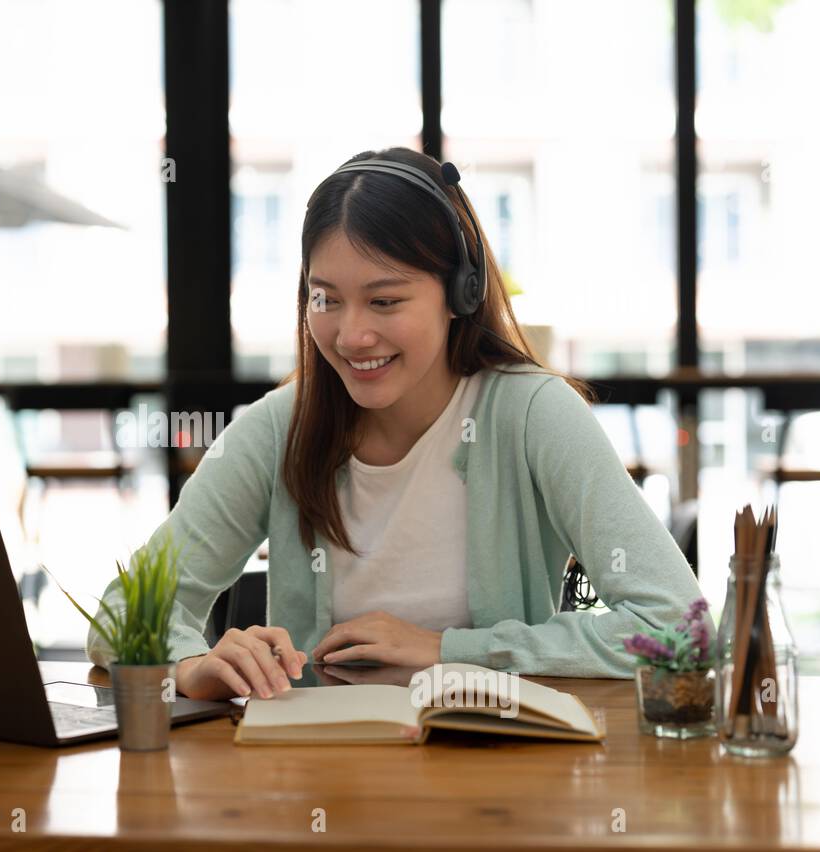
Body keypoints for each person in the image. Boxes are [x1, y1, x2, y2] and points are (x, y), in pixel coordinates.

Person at [86, 146, 706, 701]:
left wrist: (447, 654)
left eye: (385, 300)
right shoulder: (280, 428)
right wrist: (191, 665)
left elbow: (684, 629)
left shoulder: (531, 416)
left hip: (502, 783)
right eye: (325, 298)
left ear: (459, 296)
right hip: (319, 787)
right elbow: (122, 615)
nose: (352, 335)